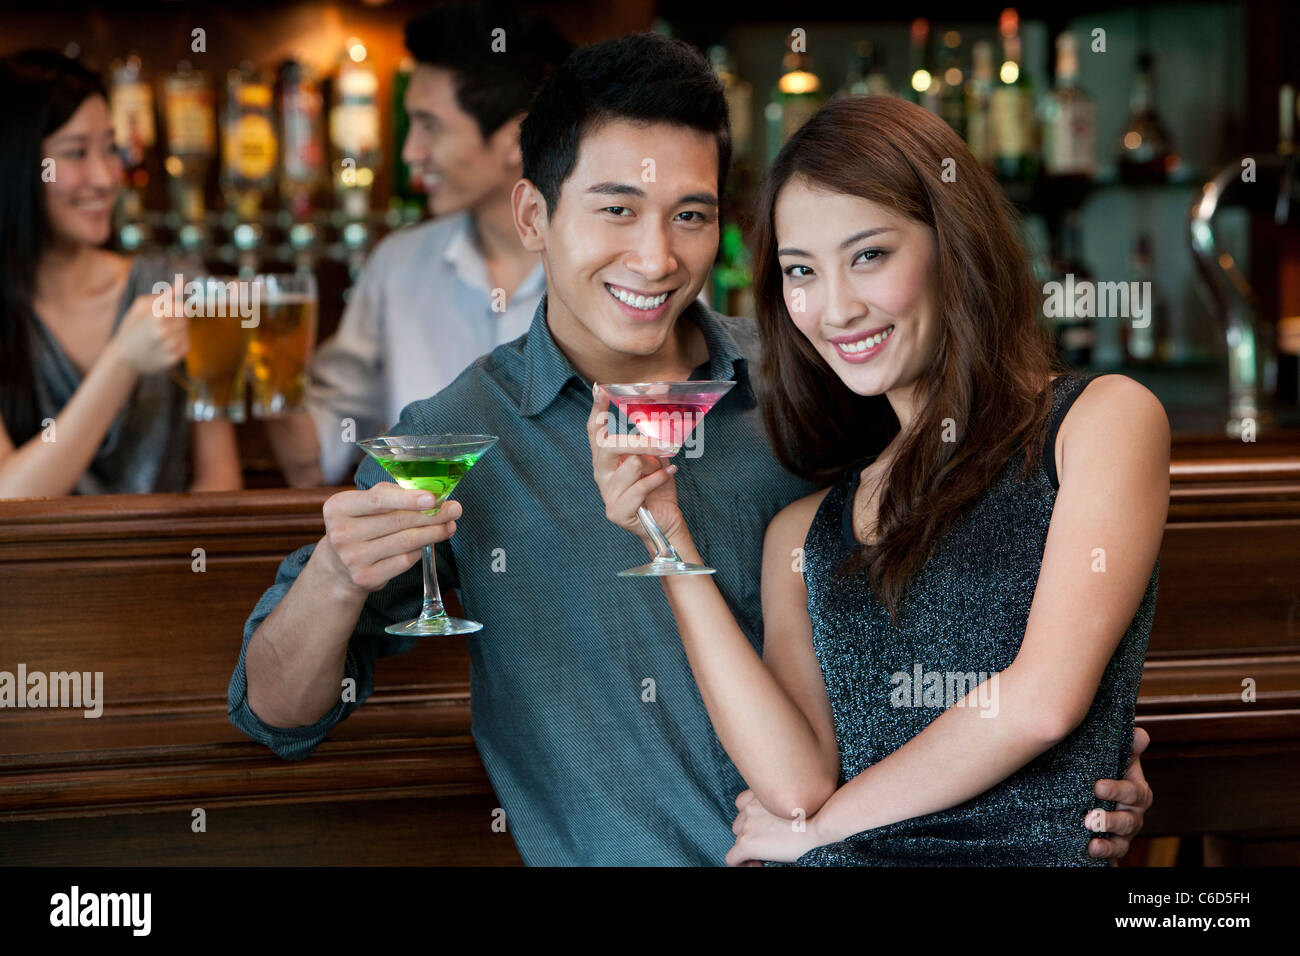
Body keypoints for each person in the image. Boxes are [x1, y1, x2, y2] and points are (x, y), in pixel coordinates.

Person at [228, 33, 1152, 866]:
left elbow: (980, 581)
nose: (657, 257)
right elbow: (275, 712)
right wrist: (336, 580)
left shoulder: (820, 371)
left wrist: (1070, 772)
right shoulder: (458, 433)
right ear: (533, 216)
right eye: (617, 210)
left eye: (692, 215)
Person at [589, 93, 1167, 865]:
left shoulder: (1103, 421)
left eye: (869, 255)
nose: (836, 308)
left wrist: (824, 830)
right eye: (802, 270)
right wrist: (664, 531)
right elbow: (794, 787)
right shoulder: (803, 532)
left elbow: (1040, 705)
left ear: (951, 242)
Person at [267, 0, 571, 486]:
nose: (411, 153)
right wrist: (265, 373)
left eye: (430, 126)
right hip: (430, 553)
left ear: (519, 135)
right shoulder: (398, 266)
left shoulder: (617, 271)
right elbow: (317, 456)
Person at [0, 50, 241, 498]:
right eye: (76, 153)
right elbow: (7, 501)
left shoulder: (177, 284)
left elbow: (220, 481)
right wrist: (123, 362)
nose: (107, 177)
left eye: (111, 148)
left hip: (169, 564)